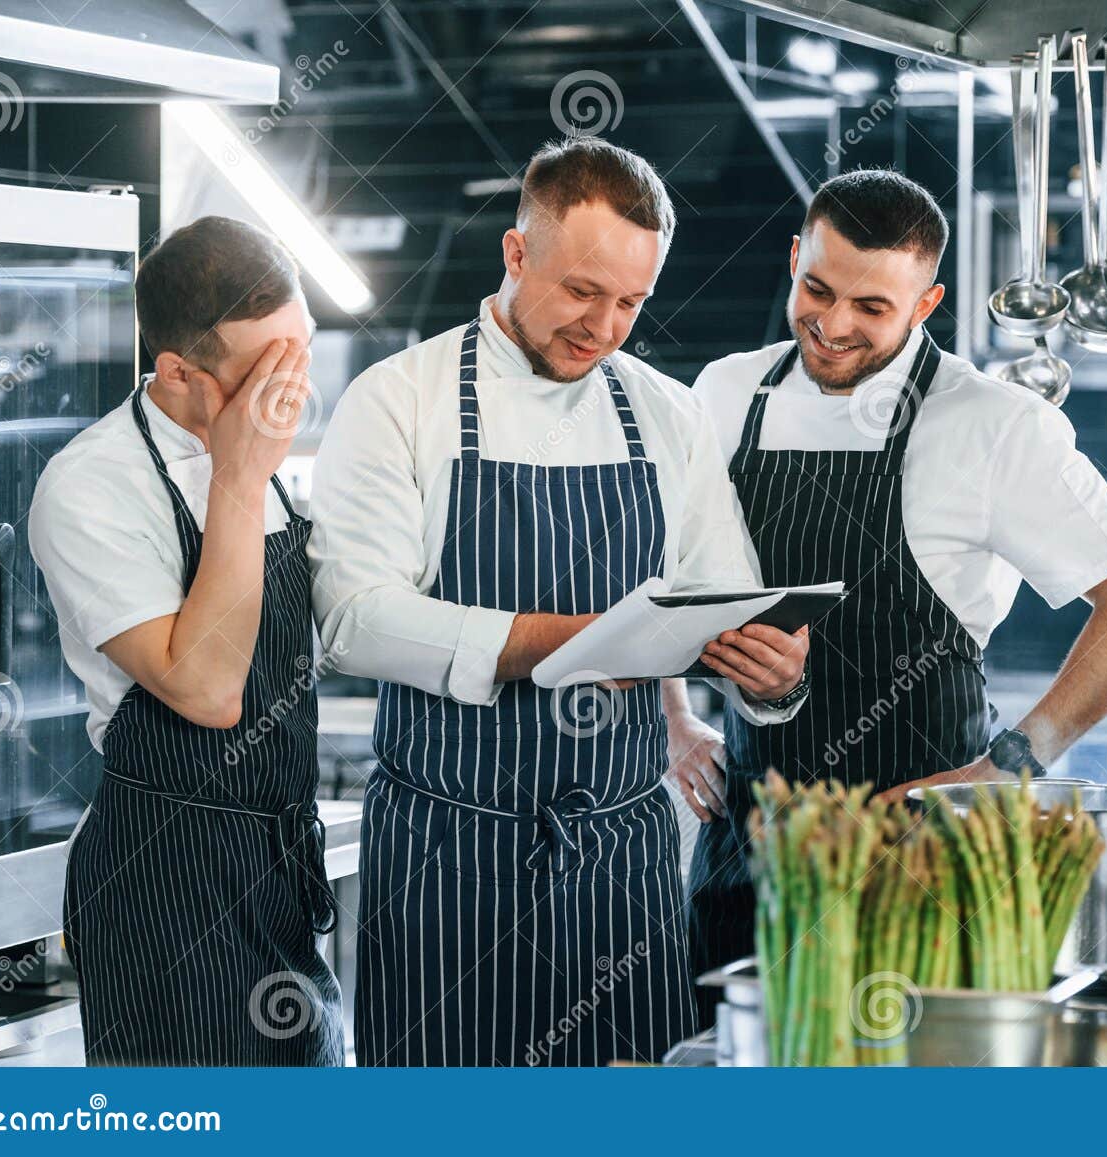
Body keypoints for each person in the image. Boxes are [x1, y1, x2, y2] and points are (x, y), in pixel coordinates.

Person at [310, 136, 808, 1067]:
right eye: (583, 291)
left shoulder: (667, 412)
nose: (604, 326)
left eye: (631, 302)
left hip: (623, 861)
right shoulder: (398, 401)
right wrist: (570, 641)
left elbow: (717, 601)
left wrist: (767, 678)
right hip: (447, 859)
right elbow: (354, 616)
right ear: (516, 252)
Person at [673, 170, 1107, 1007]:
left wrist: (1009, 763)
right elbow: (660, 571)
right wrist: (675, 718)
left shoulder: (996, 424)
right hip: (747, 858)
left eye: (872, 308)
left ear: (926, 302)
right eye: (817, 289)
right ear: (796, 256)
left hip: (919, 861)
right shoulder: (726, 394)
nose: (833, 326)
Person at [30, 216, 342, 1065]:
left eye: (301, 352)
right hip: (167, 893)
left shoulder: (268, 460)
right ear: (178, 372)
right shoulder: (93, 485)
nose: (294, 387)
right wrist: (239, 473)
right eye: (267, 370)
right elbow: (206, 689)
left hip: (279, 870)